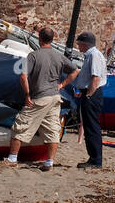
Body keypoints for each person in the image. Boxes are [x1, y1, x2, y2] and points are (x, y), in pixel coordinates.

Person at [6, 27, 78, 171]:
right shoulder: (59, 56)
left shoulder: (33, 56)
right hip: (55, 98)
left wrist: (27, 95)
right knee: (52, 130)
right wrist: (62, 85)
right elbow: (75, 70)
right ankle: (49, 162)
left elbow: (23, 76)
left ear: (39, 38)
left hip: (40, 97)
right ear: (52, 39)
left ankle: (12, 158)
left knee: (20, 126)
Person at [73, 31, 107, 169]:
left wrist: (88, 94)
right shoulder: (91, 55)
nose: (78, 46)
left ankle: (96, 159)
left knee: (92, 126)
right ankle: (93, 158)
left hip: (92, 94)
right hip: (89, 92)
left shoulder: (93, 55)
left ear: (84, 44)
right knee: (89, 126)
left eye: (79, 43)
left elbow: (96, 77)